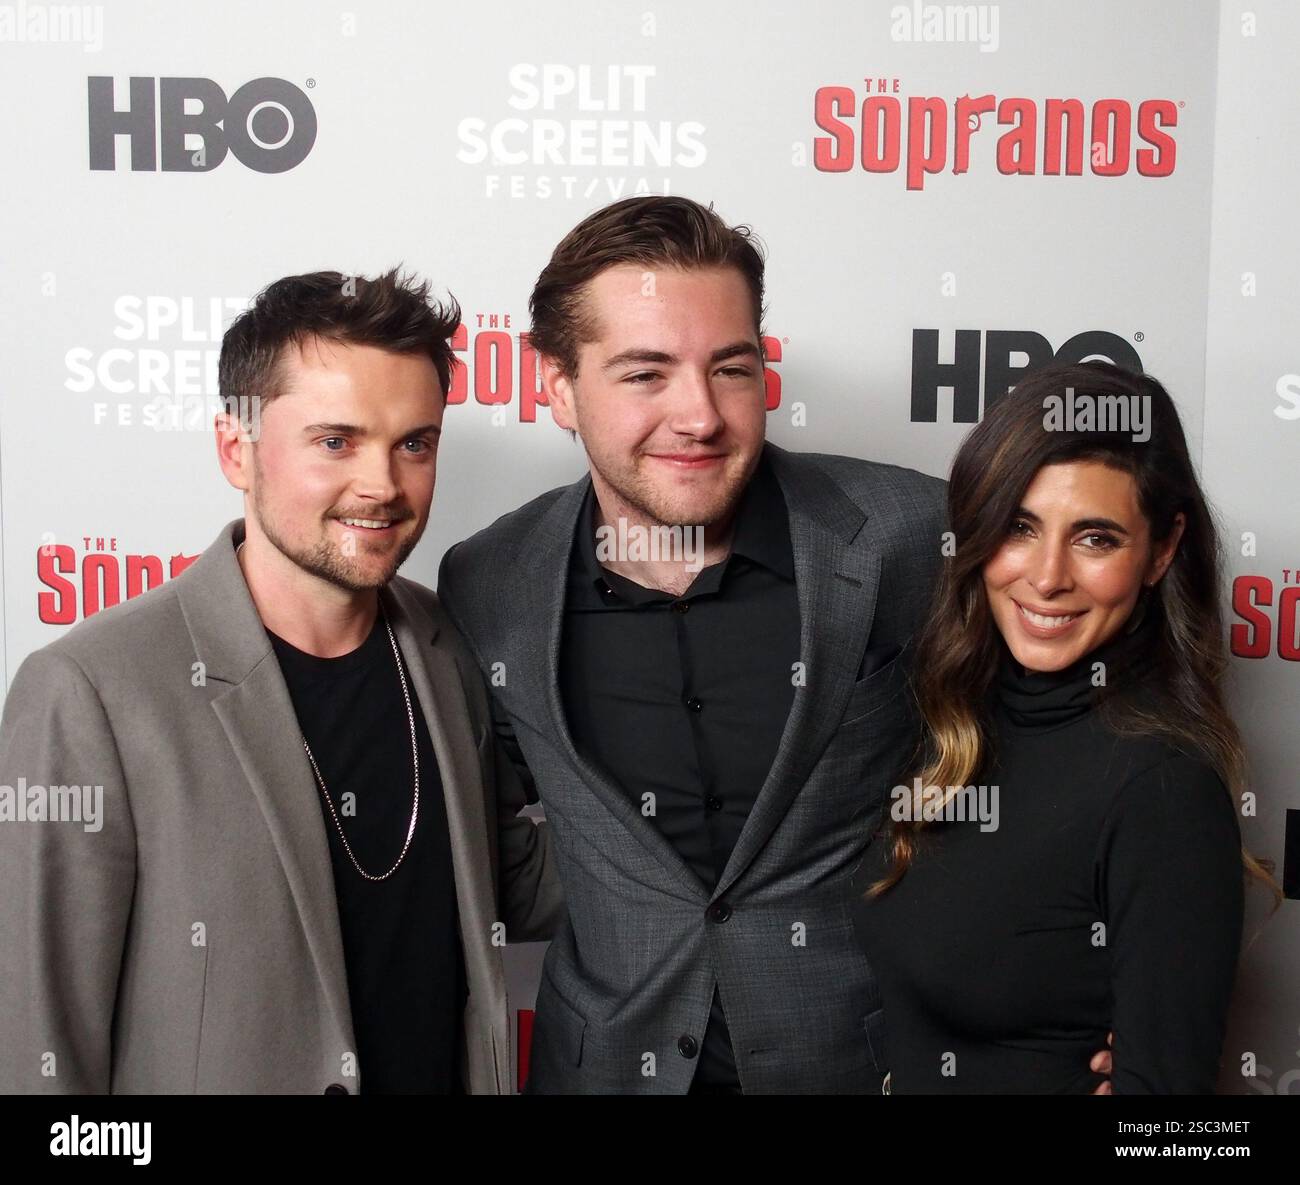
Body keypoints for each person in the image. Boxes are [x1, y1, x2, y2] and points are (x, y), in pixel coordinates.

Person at [440, 195, 1111, 1093]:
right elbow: (491, 833)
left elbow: (1070, 768)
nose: (700, 416)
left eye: (731, 368)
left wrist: (1111, 1001)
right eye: (645, 374)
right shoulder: (490, 581)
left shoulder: (908, 534)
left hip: (865, 1062)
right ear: (556, 386)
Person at [0, 268, 563, 1094]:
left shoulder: (450, 648)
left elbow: (522, 879)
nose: (382, 484)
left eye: (414, 442)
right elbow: (38, 1048)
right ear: (238, 449)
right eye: (336, 441)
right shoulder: (90, 691)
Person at [852, 361, 1278, 1093]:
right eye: (1019, 526)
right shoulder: (957, 718)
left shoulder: (1162, 790)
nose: (1047, 577)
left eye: (1096, 539)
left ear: (1163, 550)